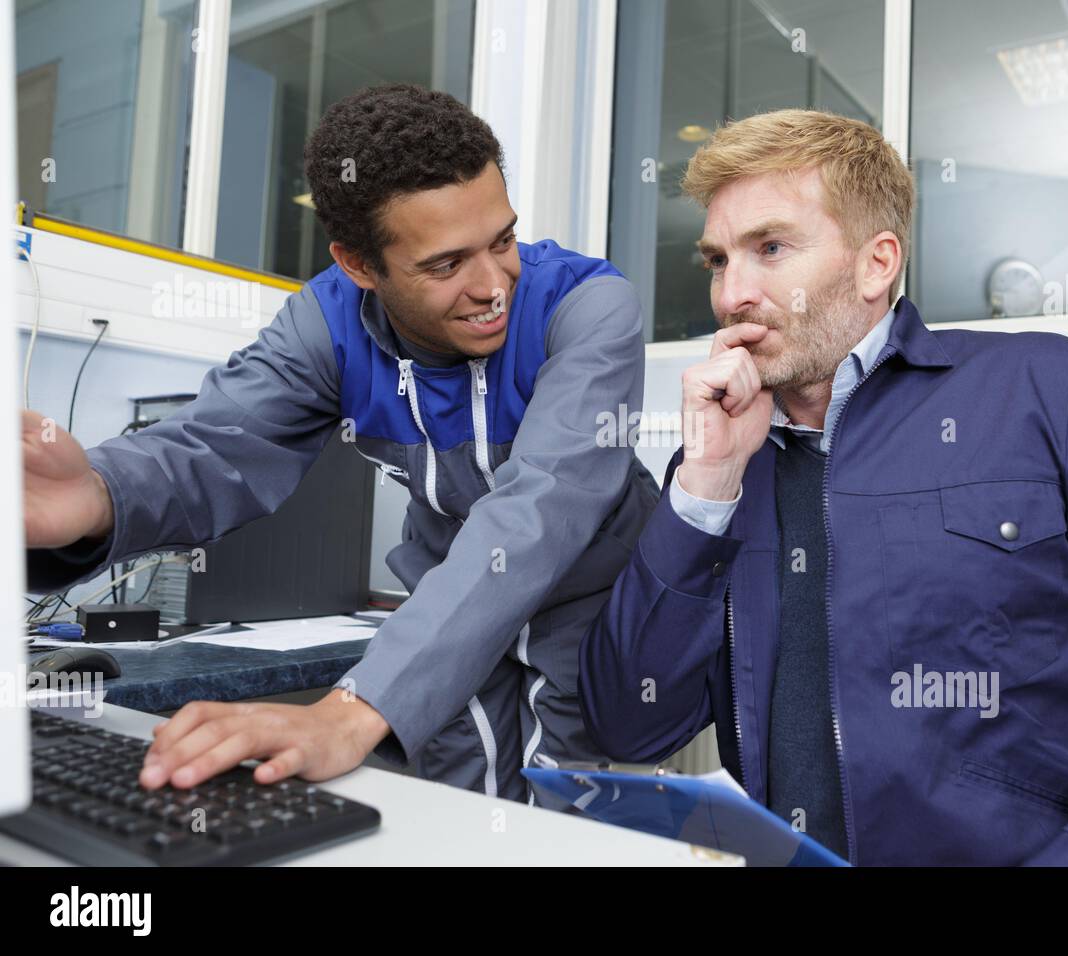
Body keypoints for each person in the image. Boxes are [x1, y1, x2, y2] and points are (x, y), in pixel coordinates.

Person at [578, 108, 1068, 865]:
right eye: (718, 261)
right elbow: (629, 723)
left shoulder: (1050, 391)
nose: (732, 295)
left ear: (876, 263)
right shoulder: (720, 463)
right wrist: (706, 484)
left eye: (770, 248)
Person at [24, 84, 658, 806]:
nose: (494, 287)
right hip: (442, 619)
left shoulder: (589, 305)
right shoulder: (326, 326)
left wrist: (356, 707)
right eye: (447, 265)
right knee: (457, 824)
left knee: (578, 828)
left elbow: (540, 511)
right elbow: (215, 448)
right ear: (359, 265)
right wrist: (99, 495)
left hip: (594, 617)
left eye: (503, 240)